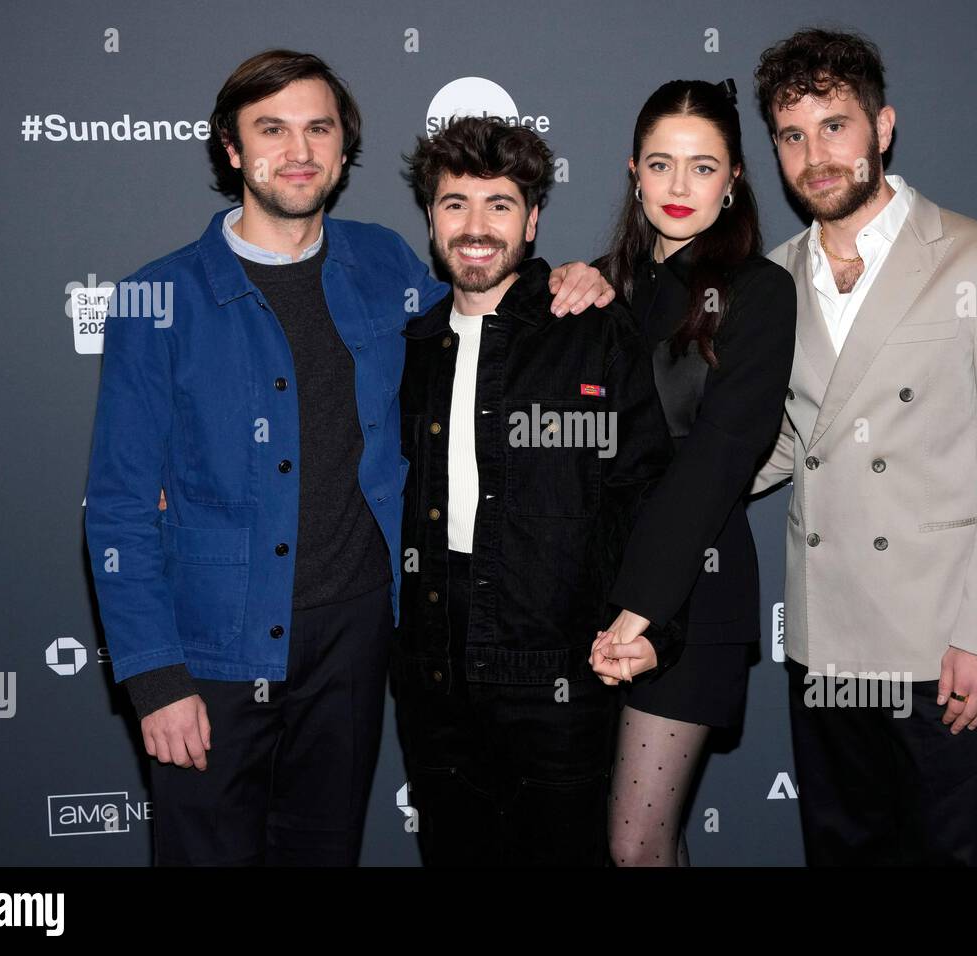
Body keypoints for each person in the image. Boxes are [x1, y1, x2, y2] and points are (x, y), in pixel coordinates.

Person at [84, 49, 612, 866]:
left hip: (356, 641)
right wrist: (155, 678)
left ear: (341, 150)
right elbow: (119, 505)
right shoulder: (159, 301)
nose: (298, 149)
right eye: (272, 129)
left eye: (317, 128)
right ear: (232, 149)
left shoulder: (386, 267)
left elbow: (486, 303)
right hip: (214, 647)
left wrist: (575, 279)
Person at [749, 28, 977, 865]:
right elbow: (781, 438)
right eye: (792, 135)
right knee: (843, 852)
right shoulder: (772, 280)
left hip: (939, 642)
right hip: (825, 639)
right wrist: (672, 478)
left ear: (882, 128)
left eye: (834, 125)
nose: (816, 154)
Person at [392, 115, 678, 866]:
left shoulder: (589, 328)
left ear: (534, 219)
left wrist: (655, 629)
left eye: (500, 205)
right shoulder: (415, 348)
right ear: (430, 218)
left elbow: (649, 495)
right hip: (435, 678)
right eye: (455, 204)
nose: (476, 227)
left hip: (558, 679)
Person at [589, 79, 797, 866]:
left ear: (735, 177)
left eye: (703, 167)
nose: (680, 188)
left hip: (693, 586)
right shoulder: (607, 289)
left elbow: (720, 457)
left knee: (636, 845)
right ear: (633, 172)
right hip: (594, 587)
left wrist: (639, 609)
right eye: (662, 164)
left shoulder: (759, 292)